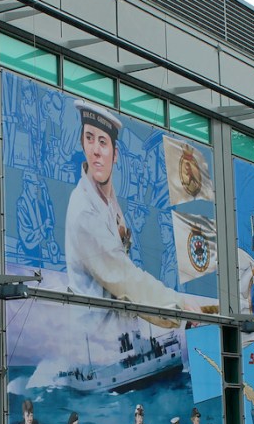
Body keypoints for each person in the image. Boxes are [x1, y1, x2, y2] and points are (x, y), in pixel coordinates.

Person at [63, 100, 197, 312]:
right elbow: (124, 277)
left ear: (115, 155)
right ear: (82, 143)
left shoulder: (109, 201)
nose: (96, 150)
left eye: (102, 141)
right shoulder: (84, 209)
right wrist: (177, 304)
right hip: (93, 332)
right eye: (89, 138)